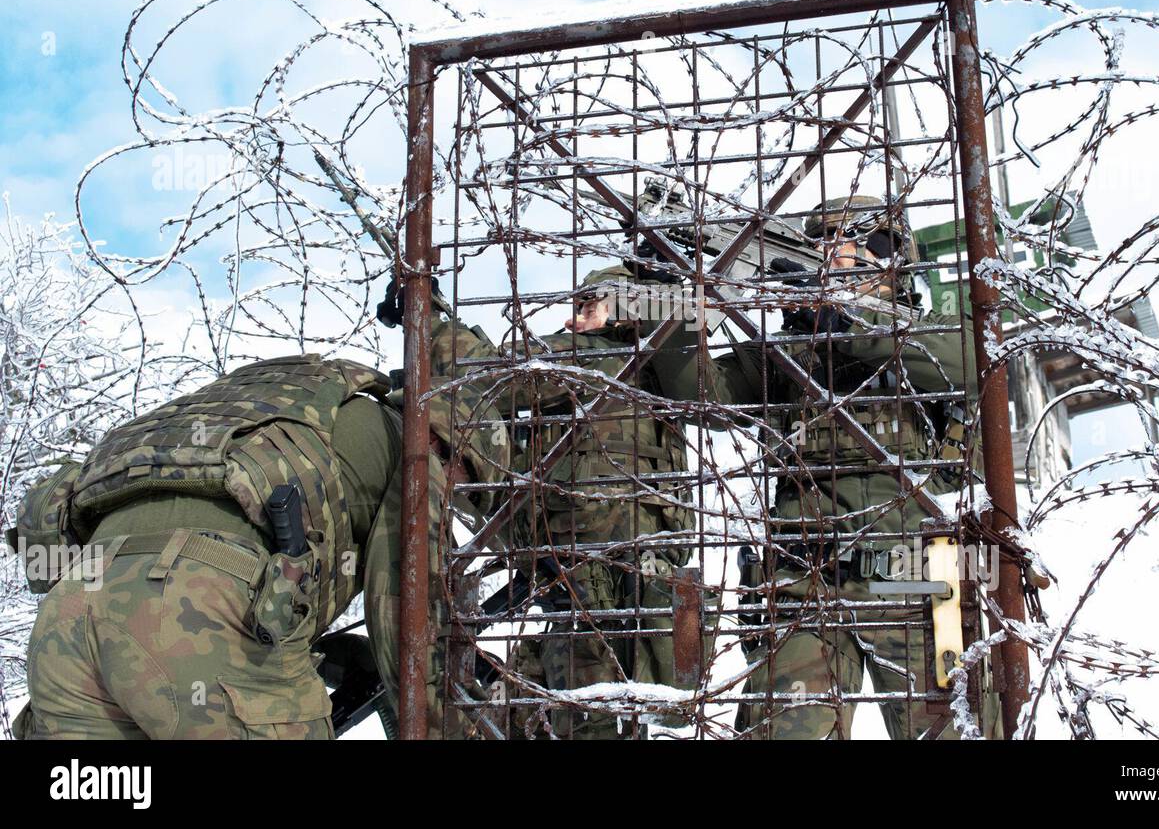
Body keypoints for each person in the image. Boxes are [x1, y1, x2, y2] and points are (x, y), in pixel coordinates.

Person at [10, 316, 504, 740]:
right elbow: (405, 617)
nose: (455, 501)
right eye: (466, 488)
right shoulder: (416, 451)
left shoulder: (290, 401)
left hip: (68, 614)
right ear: (454, 450)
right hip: (195, 610)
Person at [708, 195, 981, 739]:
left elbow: (974, 363)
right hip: (803, 582)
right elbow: (696, 391)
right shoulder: (790, 352)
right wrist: (679, 296)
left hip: (916, 580)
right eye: (828, 245)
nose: (841, 257)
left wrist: (844, 320)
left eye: (859, 243)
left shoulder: (925, 333)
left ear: (892, 256)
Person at [501, 264, 708, 739]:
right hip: (596, 566)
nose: (576, 319)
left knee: (649, 711)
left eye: (589, 307)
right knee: (601, 708)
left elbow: (492, 372)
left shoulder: (648, 371)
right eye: (577, 308)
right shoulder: (602, 363)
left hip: (637, 569)